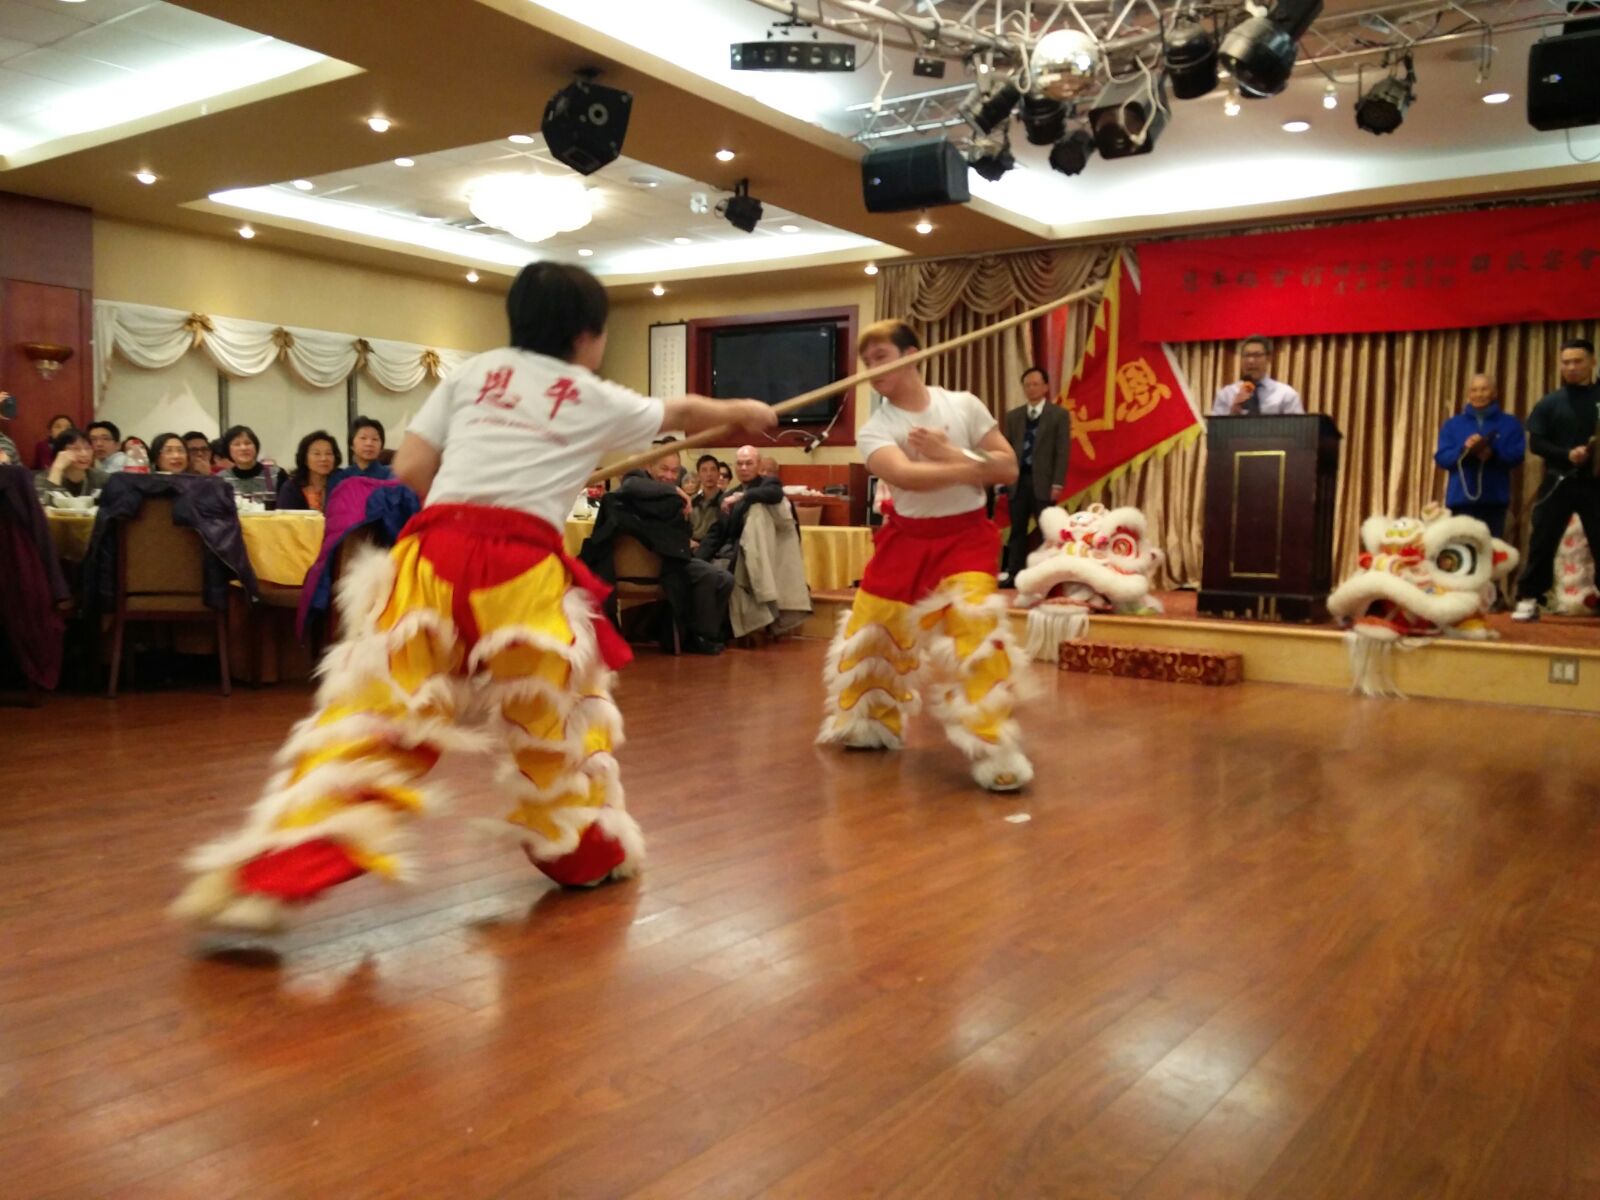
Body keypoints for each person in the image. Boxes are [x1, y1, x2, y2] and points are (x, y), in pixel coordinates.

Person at [171, 260, 775, 930]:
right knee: (553, 719)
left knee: (381, 715)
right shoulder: (593, 393)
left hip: (430, 557)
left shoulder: (472, 373)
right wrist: (745, 413)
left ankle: (274, 869)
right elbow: (688, 413)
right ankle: (579, 851)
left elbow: (408, 472)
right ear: (588, 336)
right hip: (520, 572)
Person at [817, 318, 1031, 793]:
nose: (873, 370)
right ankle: (869, 725)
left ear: (912, 354)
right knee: (872, 633)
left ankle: (995, 747)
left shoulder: (963, 405)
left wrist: (947, 450)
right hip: (905, 539)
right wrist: (970, 465)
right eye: (867, 363)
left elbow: (1011, 468)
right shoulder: (877, 429)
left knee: (975, 632)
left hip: (966, 539)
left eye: (882, 359)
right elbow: (908, 479)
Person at [1512, 338, 1600, 621]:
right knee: (1542, 541)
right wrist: (1566, 454)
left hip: (1596, 484)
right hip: (1558, 480)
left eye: (1578, 361)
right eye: (1566, 362)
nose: (1571, 367)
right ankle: (1528, 598)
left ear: (1592, 362)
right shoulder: (1550, 402)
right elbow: (1537, 443)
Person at [1000, 366, 1073, 585]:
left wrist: (1058, 482)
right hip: (1018, 481)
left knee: (1046, 531)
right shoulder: (1014, 417)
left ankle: (1045, 576)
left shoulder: (1058, 415)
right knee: (1017, 531)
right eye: (1027, 385)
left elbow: (1062, 451)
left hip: (1044, 481)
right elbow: (1007, 449)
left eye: (1035, 384)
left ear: (1045, 387)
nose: (1031, 388)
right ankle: (1014, 574)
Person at [1433, 373, 1526, 539]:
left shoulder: (1510, 423)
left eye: (1484, 389)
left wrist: (1493, 454)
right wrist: (1464, 451)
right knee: (1462, 553)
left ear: (1494, 393)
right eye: (1474, 390)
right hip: (1460, 500)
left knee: (1491, 552)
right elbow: (1442, 458)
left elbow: (1517, 456)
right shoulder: (1453, 424)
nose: (1479, 394)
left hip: (1494, 500)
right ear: (1468, 394)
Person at [1211, 335, 1304, 416]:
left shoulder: (1286, 395)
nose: (1251, 360)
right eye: (1246, 355)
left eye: (1257, 355)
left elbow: (1298, 430)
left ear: (1269, 358)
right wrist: (1233, 413)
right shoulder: (1226, 394)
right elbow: (1216, 432)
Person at [34, 427, 109, 501]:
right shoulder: (44, 478)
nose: (84, 454)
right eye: (75, 449)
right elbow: (43, 506)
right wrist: (57, 469)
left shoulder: (101, 478)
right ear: (60, 453)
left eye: (88, 448)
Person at [277, 429, 342, 511]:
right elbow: (285, 521)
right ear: (305, 458)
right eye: (317, 454)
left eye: (328, 453)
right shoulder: (291, 488)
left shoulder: (343, 484)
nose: (324, 458)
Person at [328, 416, 393, 493]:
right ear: (351, 445)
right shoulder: (340, 478)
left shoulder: (391, 476)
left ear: (381, 446)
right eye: (363, 438)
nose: (369, 443)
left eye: (375, 439)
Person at [218, 424, 280, 498]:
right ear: (228, 450)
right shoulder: (220, 480)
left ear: (256, 446)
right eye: (237, 444)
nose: (243, 448)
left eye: (248, 443)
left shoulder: (276, 475)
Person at [688, 453, 723, 548]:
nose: (709, 474)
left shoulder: (725, 501)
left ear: (719, 474)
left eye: (713, 470)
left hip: (714, 548)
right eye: (704, 470)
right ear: (698, 475)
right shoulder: (691, 501)